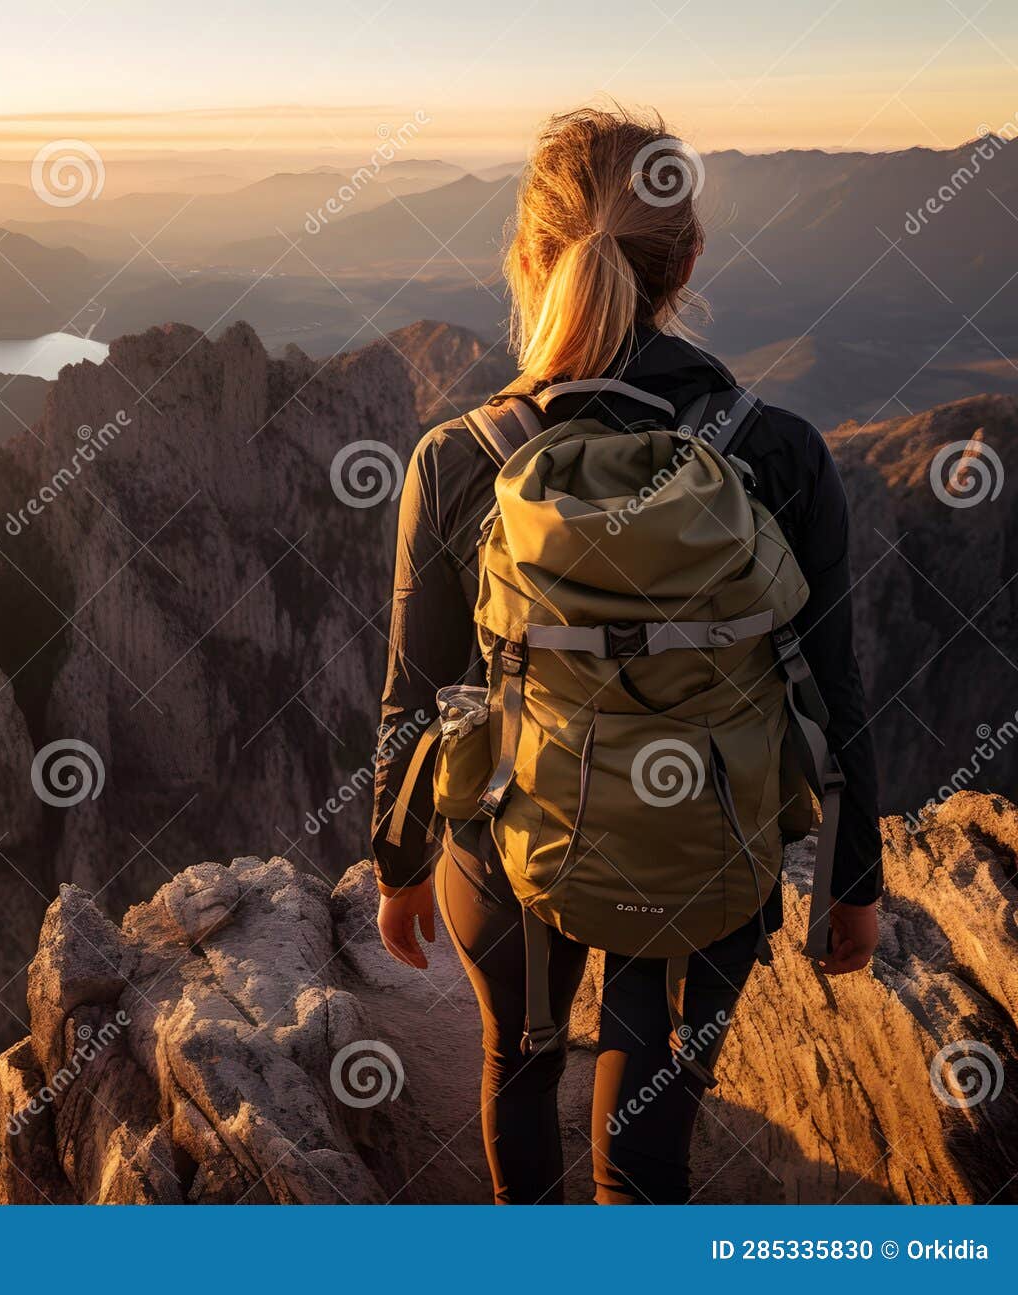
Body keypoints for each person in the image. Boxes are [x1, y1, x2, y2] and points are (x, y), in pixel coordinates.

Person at [368, 107, 882, 1205]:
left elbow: (413, 695)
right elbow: (833, 689)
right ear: (687, 260)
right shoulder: (779, 451)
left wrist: (398, 857)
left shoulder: (457, 458)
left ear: (525, 257)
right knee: (647, 1140)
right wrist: (855, 881)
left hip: (507, 845)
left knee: (517, 1056)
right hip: (703, 850)